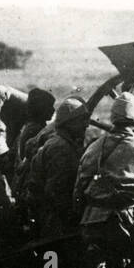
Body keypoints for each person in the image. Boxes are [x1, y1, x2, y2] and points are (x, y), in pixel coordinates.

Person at [74, 93, 134, 268]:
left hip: (92, 219)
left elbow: (79, 187)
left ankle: (99, 252)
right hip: (125, 219)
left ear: (113, 120)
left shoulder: (93, 146)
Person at [24, 96, 90, 244]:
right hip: (56, 221)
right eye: (82, 120)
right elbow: (56, 192)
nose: (87, 125)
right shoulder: (61, 149)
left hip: (51, 215)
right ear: (69, 123)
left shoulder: (62, 143)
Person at [16, 89, 56, 163]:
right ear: (41, 108)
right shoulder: (36, 130)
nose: (53, 110)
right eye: (50, 106)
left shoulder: (31, 126)